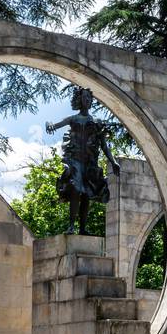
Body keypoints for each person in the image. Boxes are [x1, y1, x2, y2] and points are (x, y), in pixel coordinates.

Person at [46, 87, 121, 235]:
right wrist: (50, 125)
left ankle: (82, 228)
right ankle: (71, 226)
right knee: (75, 189)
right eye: (84, 97)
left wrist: (113, 162)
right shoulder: (73, 119)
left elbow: (104, 145)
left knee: (87, 193)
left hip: (90, 163)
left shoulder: (97, 122)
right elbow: (55, 125)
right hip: (75, 161)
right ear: (79, 100)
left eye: (89, 98)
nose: (87, 100)